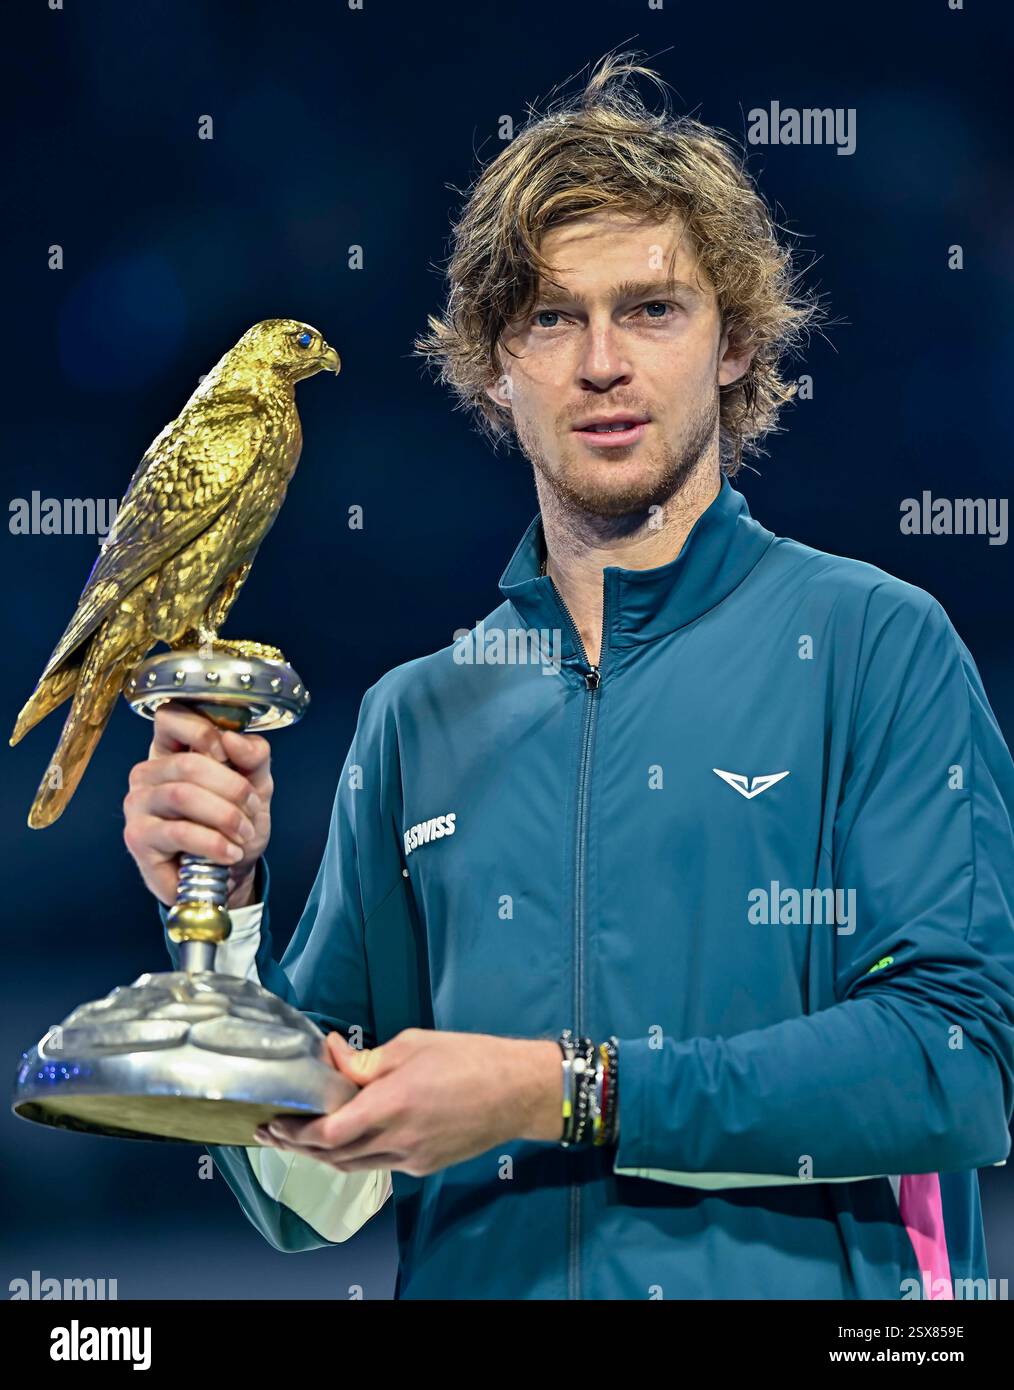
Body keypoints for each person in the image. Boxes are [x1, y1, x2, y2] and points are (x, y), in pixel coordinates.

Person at [123, 54, 1014, 1300]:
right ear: (495, 365)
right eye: (550, 317)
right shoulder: (414, 716)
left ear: (737, 346)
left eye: (652, 309)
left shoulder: (878, 645)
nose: (601, 361)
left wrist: (560, 1091)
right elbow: (311, 1199)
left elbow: (952, 1070)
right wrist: (219, 911)